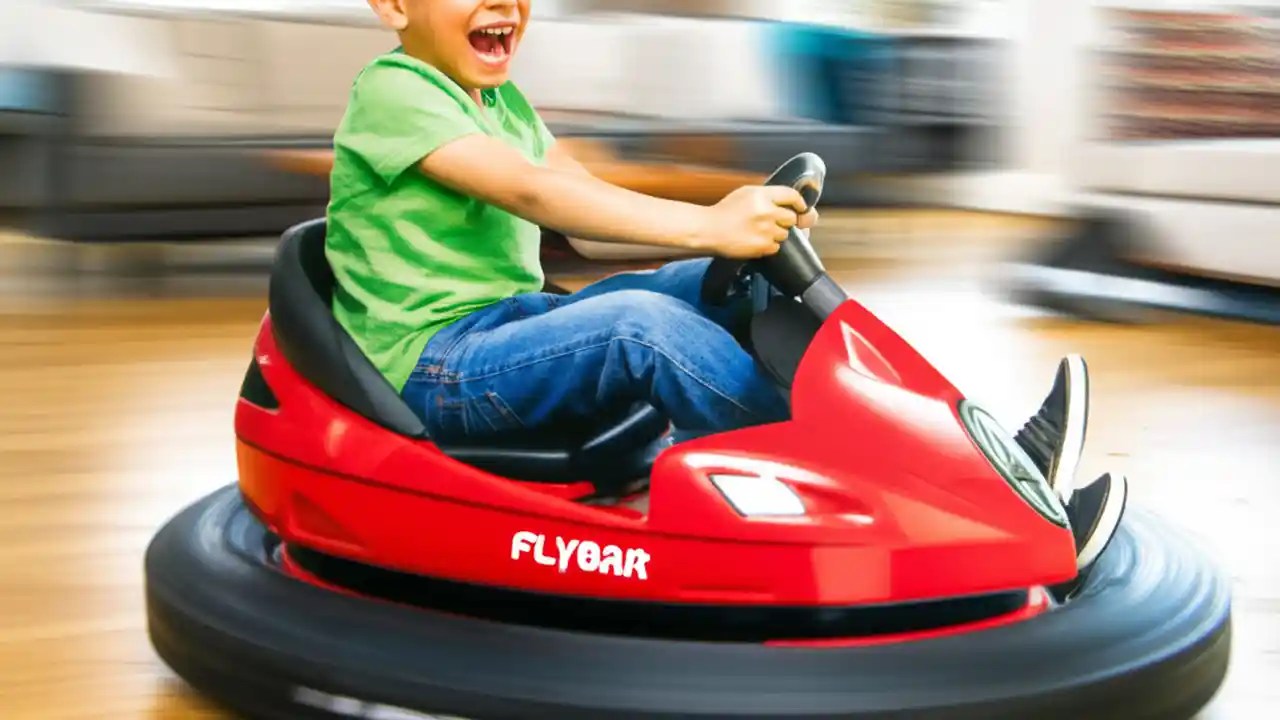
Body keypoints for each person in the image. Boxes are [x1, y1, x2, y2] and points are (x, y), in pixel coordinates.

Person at [326, 0, 1126, 581]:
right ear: (394, 5)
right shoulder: (392, 89)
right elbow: (537, 197)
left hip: (510, 326)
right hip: (437, 364)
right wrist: (710, 223)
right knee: (639, 326)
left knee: (716, 286)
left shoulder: (498, 100)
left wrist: (732, 228)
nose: (504, 4)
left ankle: (982, 464)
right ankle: (878, 487)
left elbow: (586, 199)